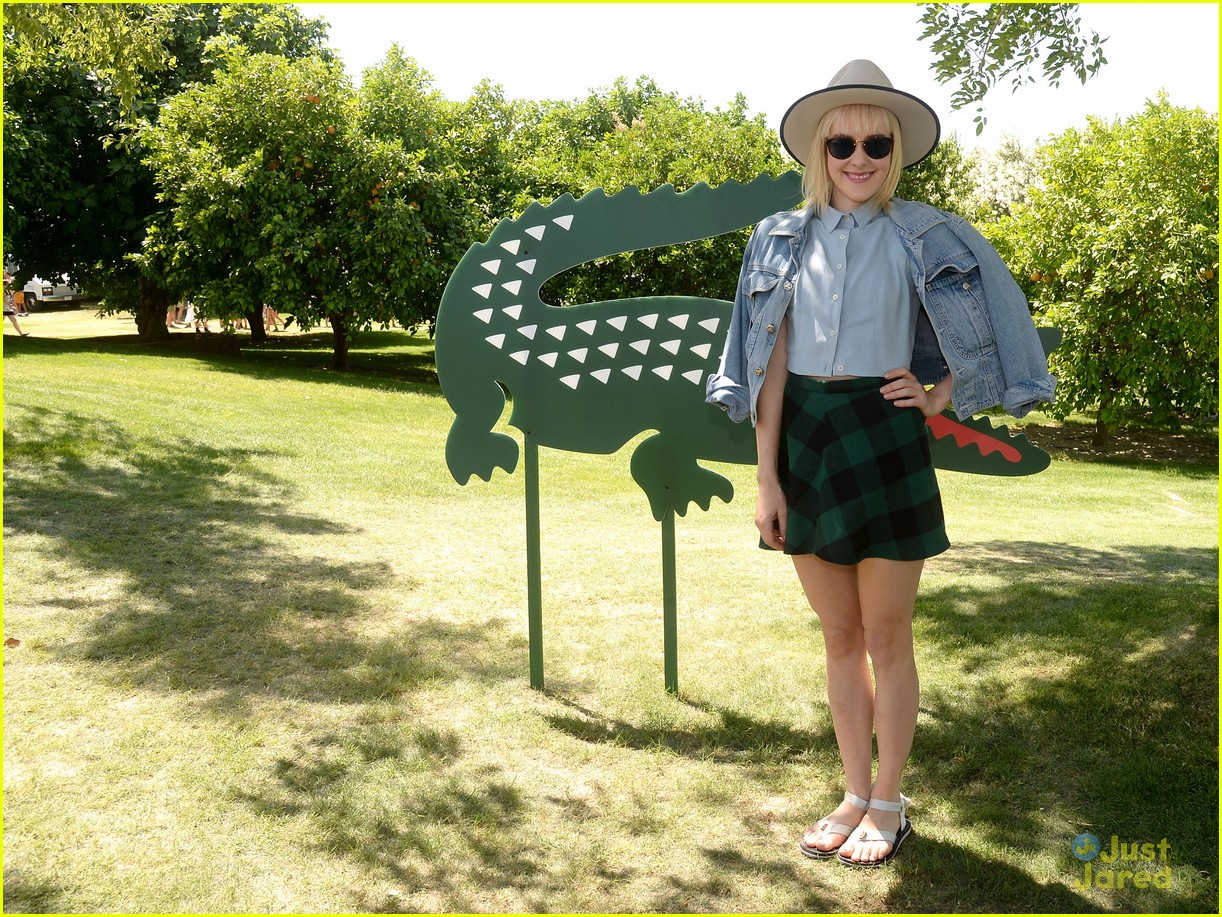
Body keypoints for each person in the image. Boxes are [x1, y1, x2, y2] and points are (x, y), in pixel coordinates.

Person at [706, 60, 1054, 868]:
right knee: (838, 634)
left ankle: (890, 803)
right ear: (818, 150)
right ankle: (854, 791)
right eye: (841, 142)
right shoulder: (775, 239)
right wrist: (765, 478)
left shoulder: (927, 233)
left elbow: (998, 323)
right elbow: (767, 366)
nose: (857, 157)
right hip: (804, 437)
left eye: (874, 142)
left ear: (894, 149)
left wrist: (937, 394)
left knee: (887, 634)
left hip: (883, 428)